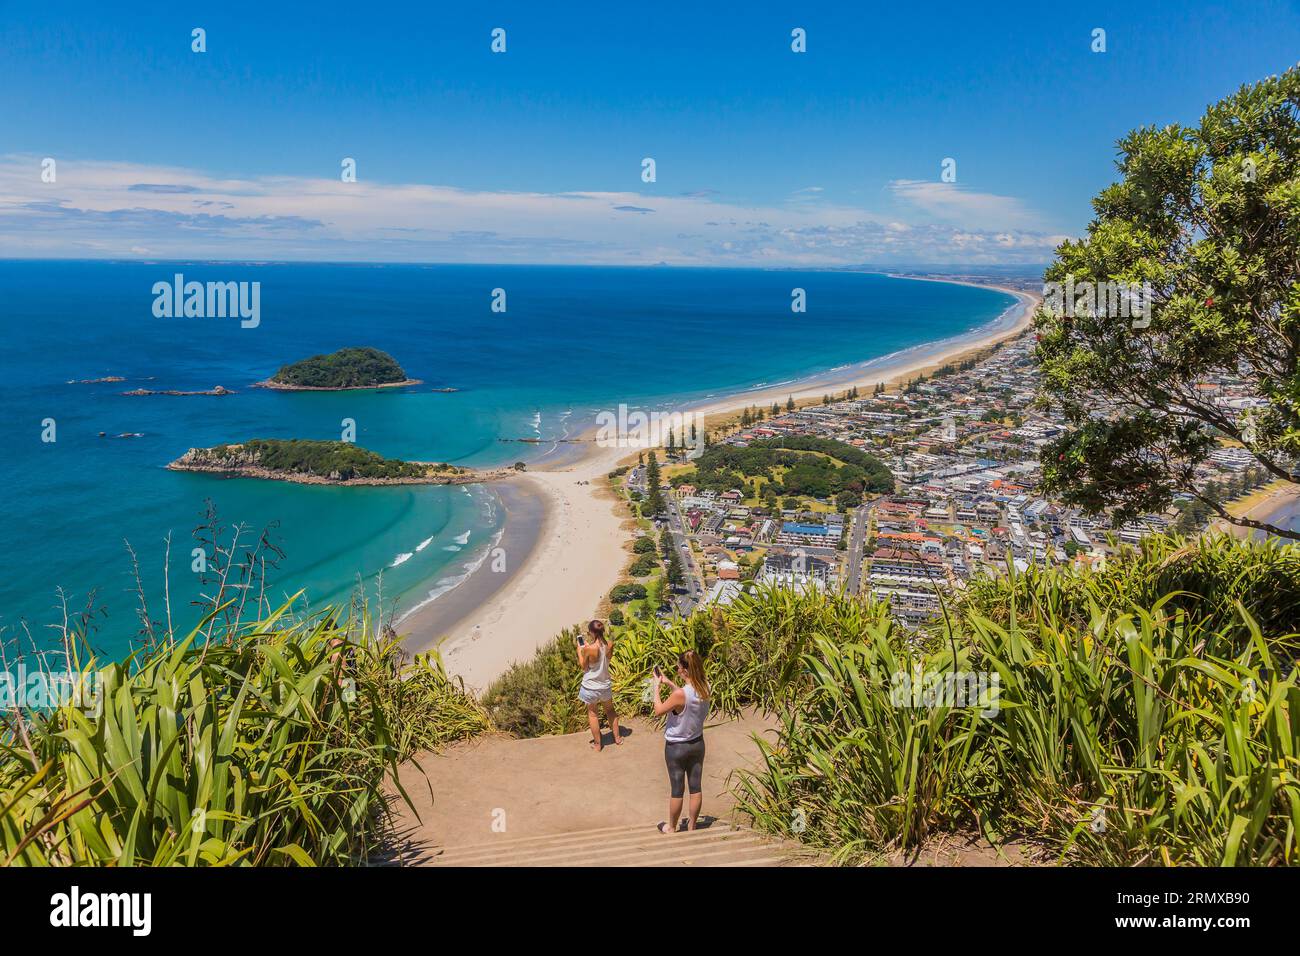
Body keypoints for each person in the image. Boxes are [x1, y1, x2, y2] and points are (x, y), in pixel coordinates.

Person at [651, 650, 711, 834]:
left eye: (678, 667)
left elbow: (659, 710)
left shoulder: (681, 695)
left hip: (677, 746)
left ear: (685, 670)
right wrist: (669, 682)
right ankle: (692, 825)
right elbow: (686, 694)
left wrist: (656, 688)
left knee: (677, 789)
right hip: (697, 743)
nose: (677, 669)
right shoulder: (706, 686)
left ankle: (672, 827)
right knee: (695, 787)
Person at [577, 619, 621, 751]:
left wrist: (580, 650)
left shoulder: (589, 649)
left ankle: (597, 745)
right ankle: (617, 738)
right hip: (604, 684)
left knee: (593, 714)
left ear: (591, 632)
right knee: (610, 711)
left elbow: (583, 667)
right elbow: (606, 661)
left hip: (591, 686)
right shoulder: (610, 645)